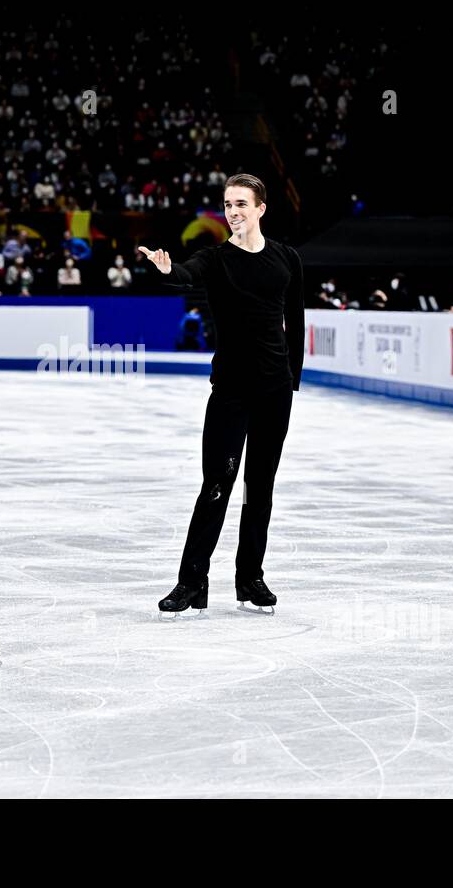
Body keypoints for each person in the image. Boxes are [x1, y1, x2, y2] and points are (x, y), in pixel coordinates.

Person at [140, 174, 304, 617]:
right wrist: (167, 269)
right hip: (231, 390)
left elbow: (296, 322)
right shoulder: (215, 259)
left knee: (259, 488)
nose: (232, 212)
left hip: (274, 392)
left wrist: (292, 379)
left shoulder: (286, 259)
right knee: (217, 484)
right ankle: (191, 582)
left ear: (261, 208)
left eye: (240, 204)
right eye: (228, 205)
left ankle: (251, 578)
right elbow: (185, 274)